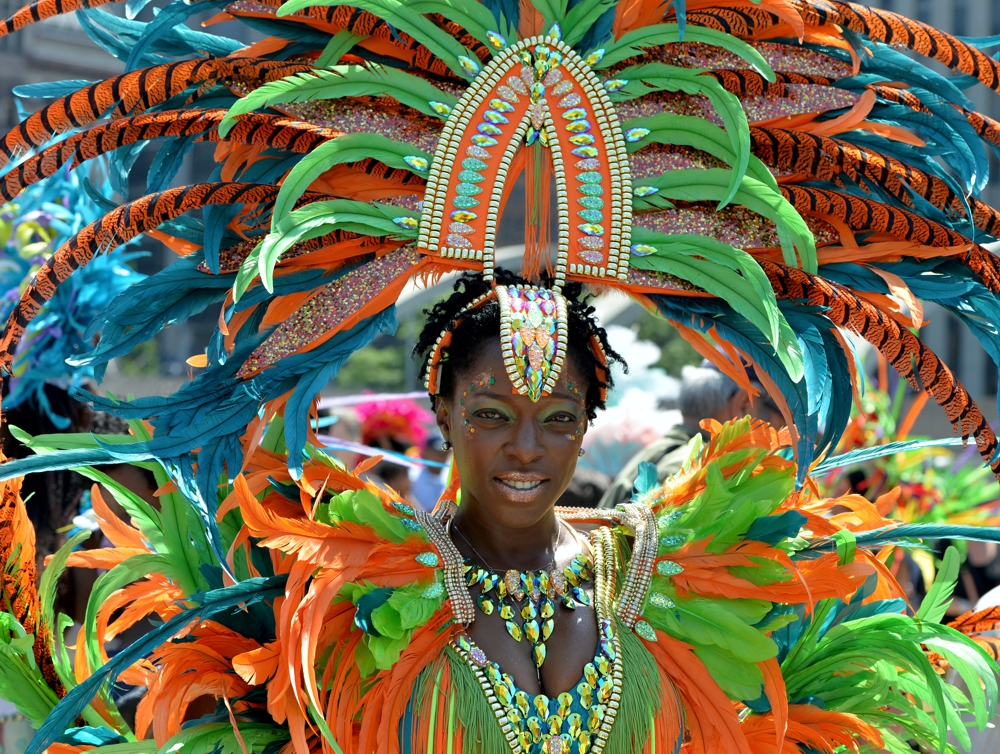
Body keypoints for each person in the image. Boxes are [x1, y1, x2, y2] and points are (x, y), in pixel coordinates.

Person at [4, 0, 1000, 751]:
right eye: (492, 412)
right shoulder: (345, 597)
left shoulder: (681, 575)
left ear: (588, 417)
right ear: (440, 409)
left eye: (557, 415)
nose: (527, 446)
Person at [599, 363, 783, 508]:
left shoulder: (664, 449)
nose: (788, 441)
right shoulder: (697, 470)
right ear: (745, 405)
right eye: (788, 422)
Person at [410, 430, 451, 511]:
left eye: (445, 453)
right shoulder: (413, 478)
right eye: (437, 453)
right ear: (427, 451)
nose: (441, 457)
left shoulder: (451, 478)